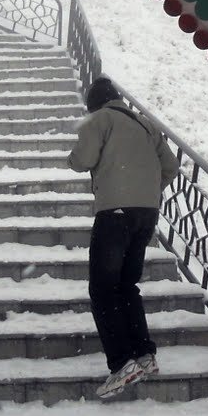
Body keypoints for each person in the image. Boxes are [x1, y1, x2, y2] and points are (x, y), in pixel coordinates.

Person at [68, 75, 180, 399]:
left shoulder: (99, 120)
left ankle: (121, 364)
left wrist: (74, 157)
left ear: (94, 104)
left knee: (103, 290)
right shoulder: (145, 124)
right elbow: (170, 166)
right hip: (146, 214)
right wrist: (146, 191)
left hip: (115, 214)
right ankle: (144, 353)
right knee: (127, 286)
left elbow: (82, 160)